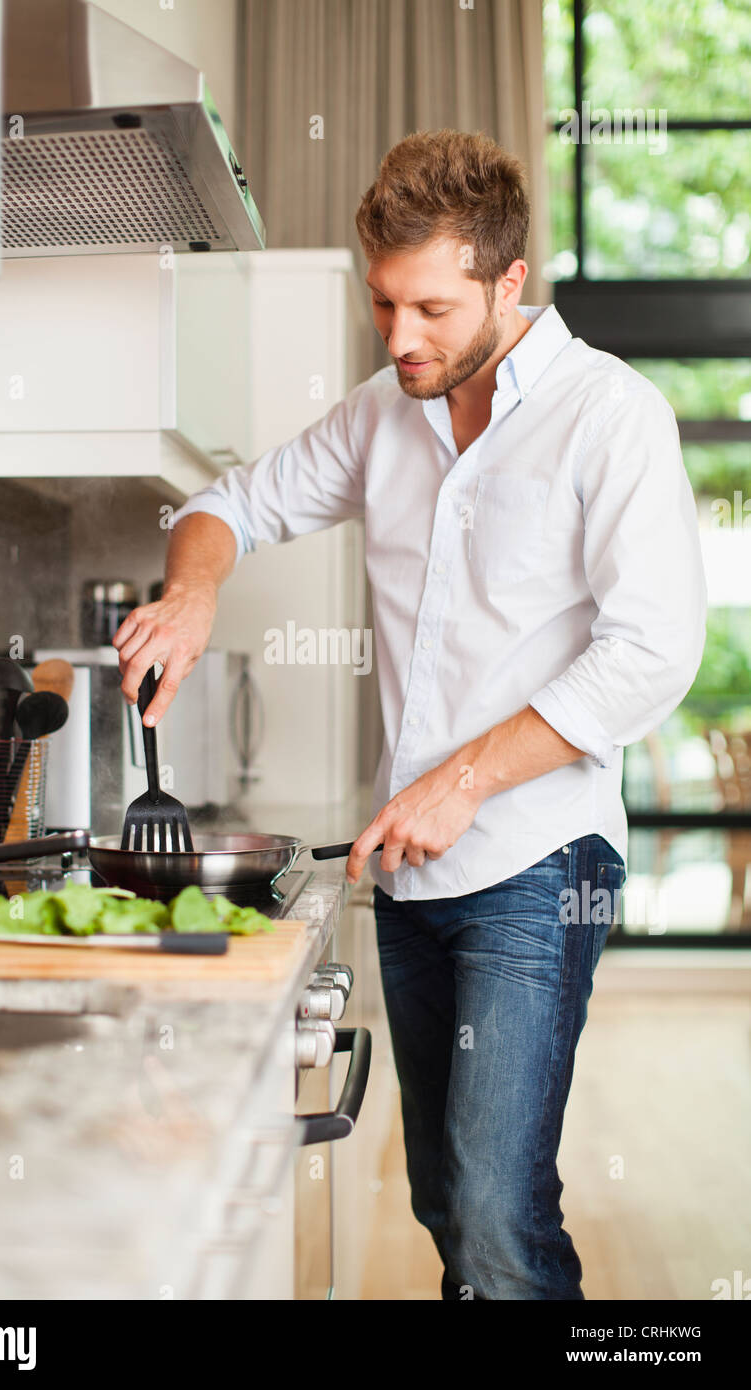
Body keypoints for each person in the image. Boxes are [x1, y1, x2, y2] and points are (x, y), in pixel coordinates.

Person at [113, 128, 707, 1300]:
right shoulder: (385, 412)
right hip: (413, 879)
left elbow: (652, 651)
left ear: (506, 281)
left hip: (538, 866)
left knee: (492, 1210)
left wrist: (465, 778)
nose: (399, 340)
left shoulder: (607, 416)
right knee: (442, 1198)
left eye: (429, 307)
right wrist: (192, 589)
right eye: (381, 305)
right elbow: (226, 503)